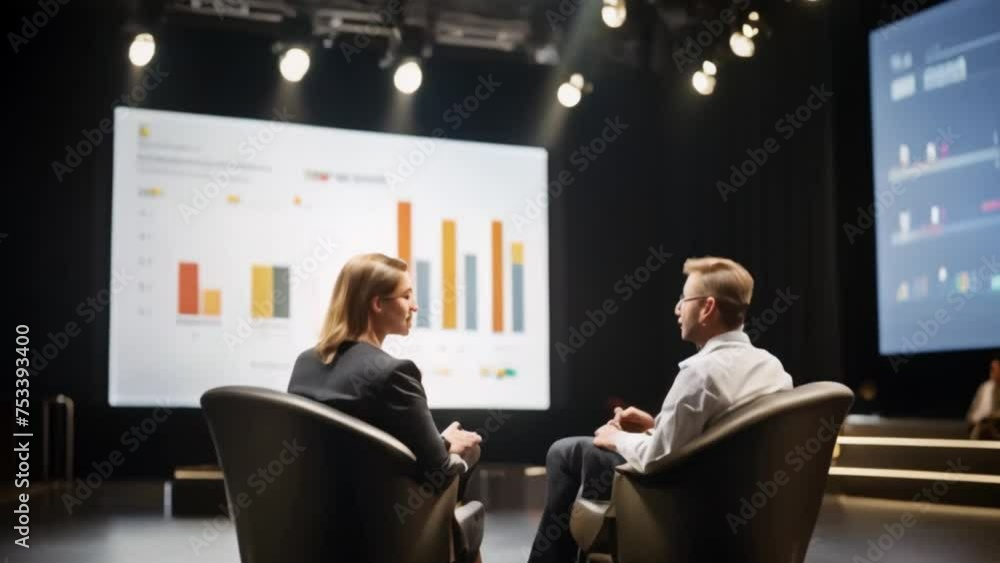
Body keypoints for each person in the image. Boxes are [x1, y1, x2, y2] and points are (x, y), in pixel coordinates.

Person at [526, 256, 794, 563]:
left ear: (707, 308)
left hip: (682, 503)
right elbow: (719, 436)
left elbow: (657, 458)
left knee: (564, 452)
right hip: (734, 498)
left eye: (684, 299)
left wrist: (617, 438)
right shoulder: (771, 366)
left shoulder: (701, 373)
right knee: (575, 451)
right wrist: (655, 426)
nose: (677, 309)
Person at [287, 253, 483, 561]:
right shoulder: (393, 373)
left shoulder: (305, 364)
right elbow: (439, 473)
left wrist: (441, 442)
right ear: (377, 304)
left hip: (309, 533)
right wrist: (453, 449)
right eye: (406, 296)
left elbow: (355, 453)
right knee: (468, 457)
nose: (415, 306)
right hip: (381, 536)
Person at [967, 354, 1000, 439]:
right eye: (992, 368)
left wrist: (991, 417)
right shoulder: (984, 387)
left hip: (994, 425)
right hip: (978, 424)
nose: (992, 371)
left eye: (996, 368)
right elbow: (972, 410)